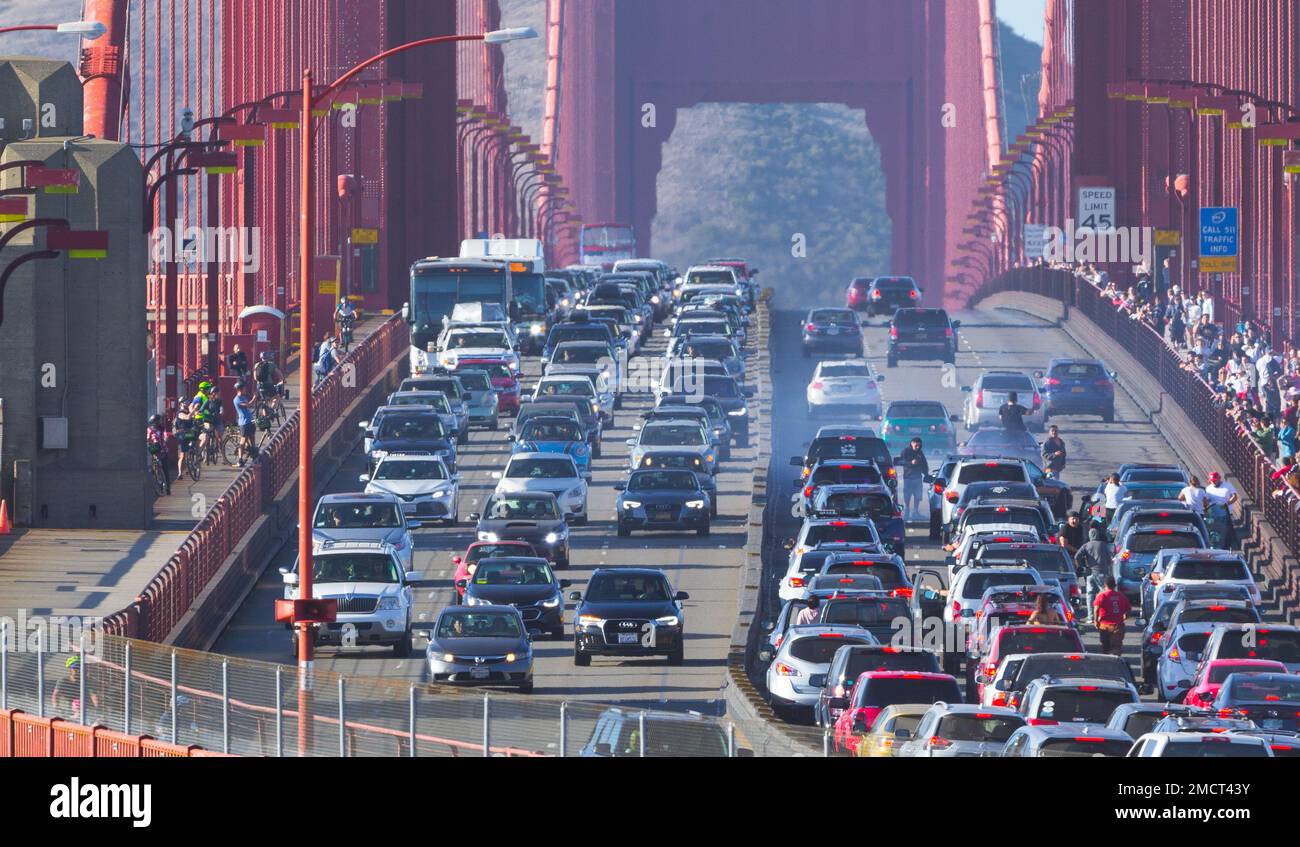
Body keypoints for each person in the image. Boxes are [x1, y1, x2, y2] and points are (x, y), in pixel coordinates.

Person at [1074, 527, 1112, 622]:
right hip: (1102, 573)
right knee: (1104, 595)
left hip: (1090, 573)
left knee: (1090, 595)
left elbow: (1076, 556)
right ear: (1098, 535)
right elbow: (1109, 559)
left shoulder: (1086, 545)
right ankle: (1103, 615)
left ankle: (1091, 617)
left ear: (1090, 536)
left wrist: (1081, 566)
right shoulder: (1103, 545)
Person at [51, 655, 100, 725]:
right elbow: (55, 695)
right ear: (70, 669)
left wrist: (97, 710)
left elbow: (94, 695)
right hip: (67, 713)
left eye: (80, 667)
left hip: (84, 712)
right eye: (75, 668)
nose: (78, 670)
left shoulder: (86, 681)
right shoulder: (63, 681)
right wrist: (56, 707)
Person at [1093, 576, 1132, 656]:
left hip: (1104, 626)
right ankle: (1116, 664)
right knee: (1116, 648)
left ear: (1105, 585)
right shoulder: (1121, 596)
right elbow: (1128, 609)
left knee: (1105, 647)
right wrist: (1125, 617)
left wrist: (1095, 621)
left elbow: (1096, 609)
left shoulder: (1102, 596)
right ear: (1115, 585)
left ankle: (1107, 662)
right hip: (1117, 626)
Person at [897, 437, 929, 521]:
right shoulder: (906, 451)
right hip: (908, 478)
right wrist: (910, 463)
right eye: (916, 445)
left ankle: (915, 512)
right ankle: (907, 511)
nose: (918, 447)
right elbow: (900, 462)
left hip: (918, 478)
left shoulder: (920, 453)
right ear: (912, 443)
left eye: (919, 445)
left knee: (917, 496)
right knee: (907, 496)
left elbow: (924, 464)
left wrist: (926, 474)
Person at [1205, 471, 1239, 548]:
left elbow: (1235, 497)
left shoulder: (1228, 486)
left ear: (1219, 479)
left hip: (1226, 514)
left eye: (1215, 480)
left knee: (1227, 532)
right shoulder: (1208, 488)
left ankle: (1229, 545)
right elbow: (1207, 500)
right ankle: (1215, 545)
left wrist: (1227, 504)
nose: (1213, 482)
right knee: (1214, 531)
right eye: (1212, 481)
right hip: (1214, 514)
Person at [146, 414, 172, 495]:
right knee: (155, 467)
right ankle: (159, 483)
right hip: (154, 450)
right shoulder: (149, 429)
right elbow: (147, 438)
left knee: (165, 469)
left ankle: (168, 487)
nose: (161, 422)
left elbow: (165, 436)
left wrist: (165, 439)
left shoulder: (162, 429)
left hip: (163, 450)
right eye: (159, 421)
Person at [232, 380, 256, 466]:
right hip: (244, 422)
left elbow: (249, 405)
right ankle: (240, 459)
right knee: (243, 440)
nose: (246, 389)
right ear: (240, 389)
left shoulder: (244, 397)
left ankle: (254, 456)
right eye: (244, 388)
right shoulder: (237, 399)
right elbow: (247, 405)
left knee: (252, 438)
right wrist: (254, 398)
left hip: (250, 420)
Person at [174, 401, 197, 479]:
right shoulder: (180, 413)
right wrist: (194, 410)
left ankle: (192, 461)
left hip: (189, 432)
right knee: (182, 455)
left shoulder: (188, 411)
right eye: (184, 403)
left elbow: (193, 418)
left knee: (197, 439)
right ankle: (180, 473)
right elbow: (187, 417)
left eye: (187, 402)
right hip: (183, 434)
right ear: (180, 404)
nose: (186, 404)